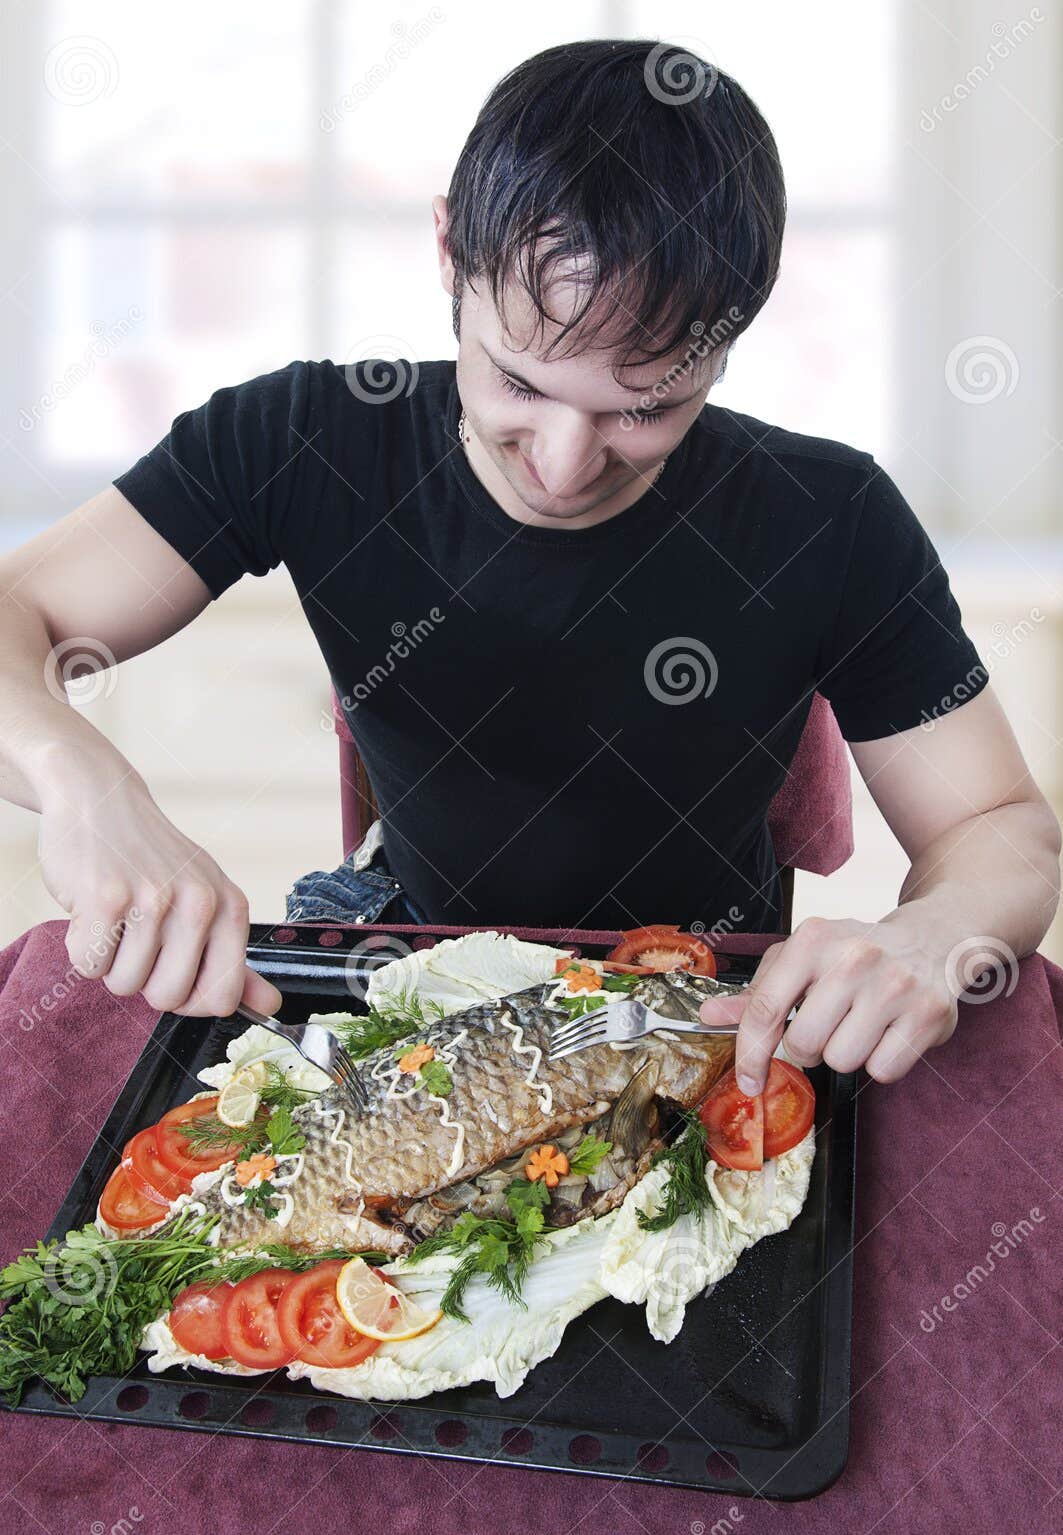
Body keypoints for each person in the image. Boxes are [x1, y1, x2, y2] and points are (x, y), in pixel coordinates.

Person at [0, 40, 1057, 1098]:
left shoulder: (827, 515)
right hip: (399, 985)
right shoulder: (307, 437)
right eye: (515, 382)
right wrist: (80, 778)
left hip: (699, 1012)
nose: (561, 464)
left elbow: (997, 826)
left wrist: (935, 929)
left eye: (642, 408)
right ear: (449, 251)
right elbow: (20, 610)